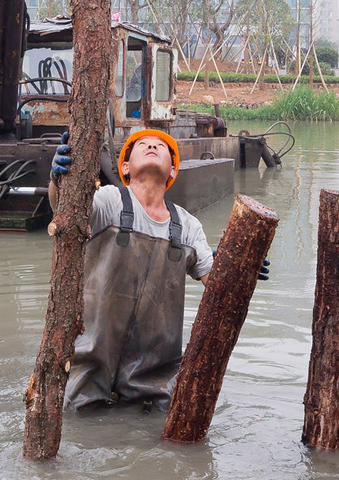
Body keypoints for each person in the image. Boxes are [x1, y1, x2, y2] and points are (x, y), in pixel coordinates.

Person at [49, 127, 264, 411]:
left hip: (154, 386)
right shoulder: (110, 201)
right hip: (88, 375)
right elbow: (65, 211)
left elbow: (217, 286)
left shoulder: (187, 226)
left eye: (160, 146)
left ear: (173, 170)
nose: (152, 146)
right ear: (125, 166)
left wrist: (242, 267)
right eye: (143, 145)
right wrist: (59, 179)